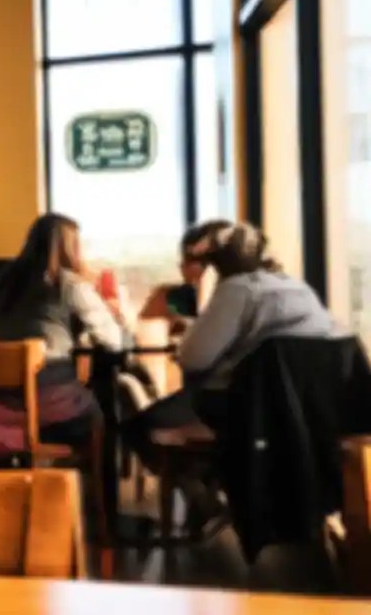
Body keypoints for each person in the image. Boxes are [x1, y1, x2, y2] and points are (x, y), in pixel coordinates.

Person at [122, 222, 338, 526]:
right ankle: (221, 489)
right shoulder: (297, 288)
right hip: (302, 412)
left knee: (139, 427)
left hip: (245, 409)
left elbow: (193, 359)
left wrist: (194, 333)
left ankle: (201, 495)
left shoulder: (236, 289)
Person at [0, 213, 123, 459]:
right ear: (71, 248)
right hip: (50, 411)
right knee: (98, 412)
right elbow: (113, 341)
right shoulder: (70, 285)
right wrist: (100, 314)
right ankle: (90, 493)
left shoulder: (4, 282)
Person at [137, 220, 233, 333]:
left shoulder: (245, 300)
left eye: (190, 259)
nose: (183, 266)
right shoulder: (170, 299)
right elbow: (145, 336)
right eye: (186, 258)